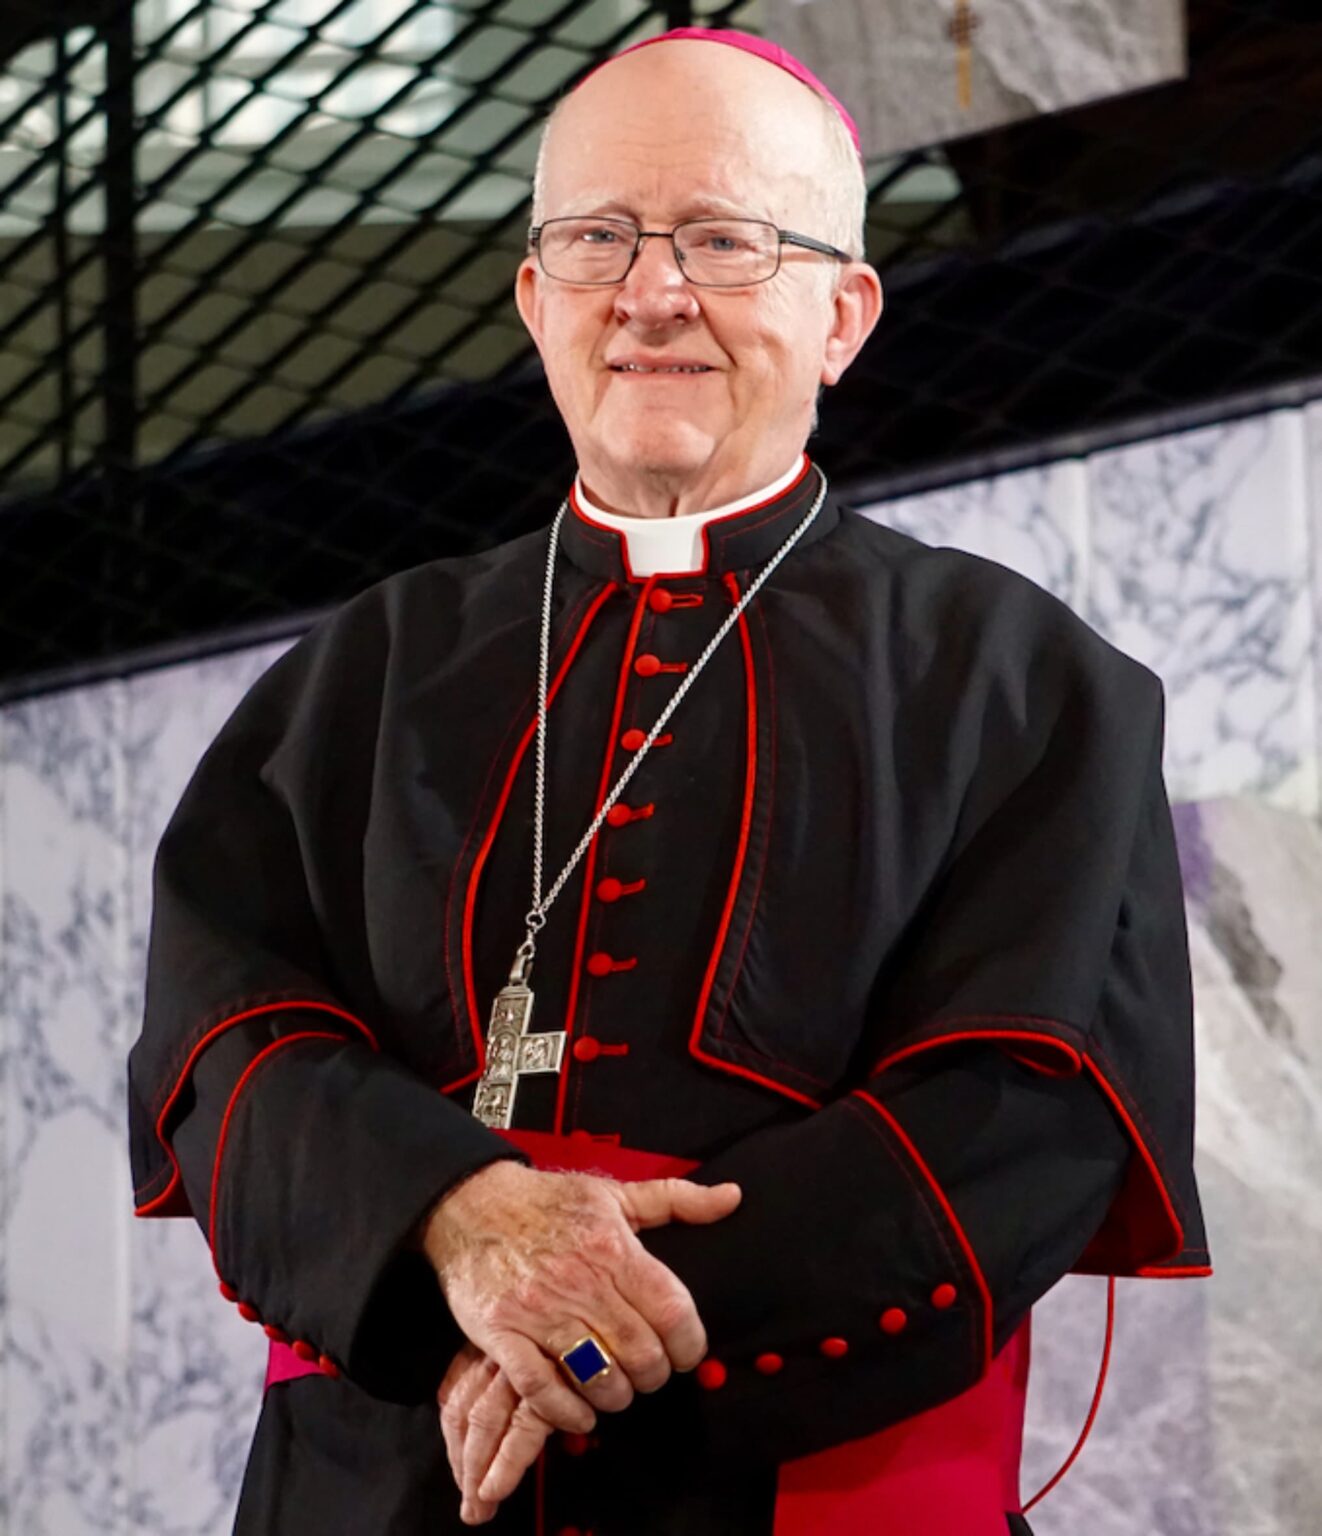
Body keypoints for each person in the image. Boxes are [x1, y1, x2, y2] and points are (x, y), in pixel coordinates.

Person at [126, 28, 1211, 1536]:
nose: (651, 292)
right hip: (382, 1490)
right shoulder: (362, 670)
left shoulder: (1026, 682)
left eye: (722, 237)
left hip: (798, 1466)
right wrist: (456, 1226)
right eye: (596, 239)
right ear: (533, 297)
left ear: (842, 312)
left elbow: (1021, 1112)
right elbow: (222, 1039)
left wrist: (572, 1329)